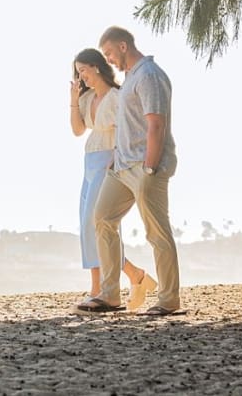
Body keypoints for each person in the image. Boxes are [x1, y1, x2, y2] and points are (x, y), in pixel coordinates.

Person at [77, 27, 180, 315]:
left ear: (123, 47)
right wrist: (117, 157)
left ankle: (169, 300)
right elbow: (127, 125)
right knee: (102, 219)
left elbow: (156, 124)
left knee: (157, 233)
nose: (108, 60)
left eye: (109, 53)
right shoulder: (130, 78)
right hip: (121, 167)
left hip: (146, 167)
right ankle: (109, 295)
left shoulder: (149, 75)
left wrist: (149, 166)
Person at [70, 48, 156, 309]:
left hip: (109, 162)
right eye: (77, 72)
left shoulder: (117, 97)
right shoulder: (86, 99)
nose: (80, 76)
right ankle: (132, 276)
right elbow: (77, 130)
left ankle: (103, 288)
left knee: (94, 223)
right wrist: (73, 100)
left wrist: (115, 159)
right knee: (88, 227)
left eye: (83, 69)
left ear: (96, 67)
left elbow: (126, 129)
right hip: (89, 162)